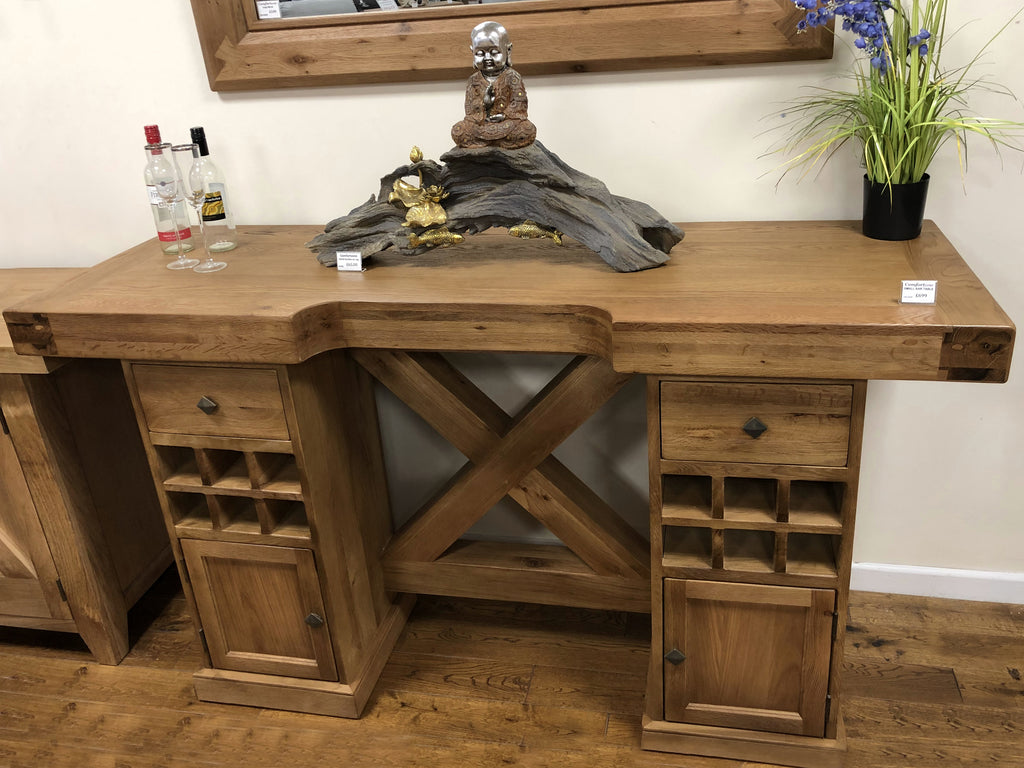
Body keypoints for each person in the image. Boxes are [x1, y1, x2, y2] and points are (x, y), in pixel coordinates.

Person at [451, 21, 536, 149]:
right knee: (459, 130)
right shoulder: (473, 80)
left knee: (527, 129)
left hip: (507, 125)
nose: (487, 58)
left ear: (508, 50)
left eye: (494, 52)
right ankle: (496, 143)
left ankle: (490, 143)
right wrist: (484, 105)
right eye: (480, 53)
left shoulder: (512, 77)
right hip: (481, 126)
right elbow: (470, 111)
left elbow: (519, 104)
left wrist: (504, 116)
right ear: (472, 52)